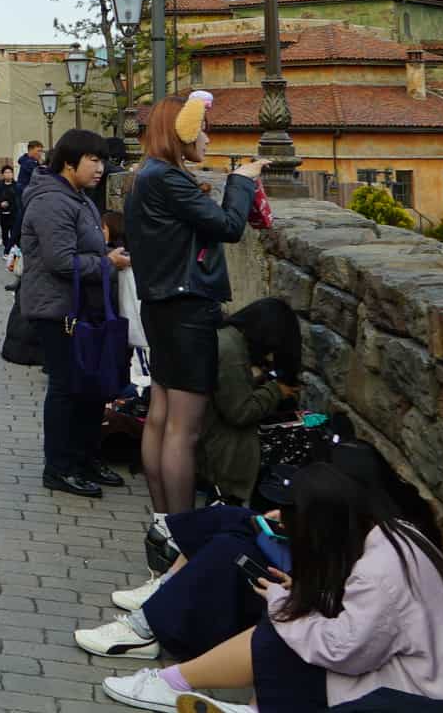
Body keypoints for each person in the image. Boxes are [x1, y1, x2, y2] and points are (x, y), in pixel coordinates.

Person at [101, 462, 443, 713]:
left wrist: (281, 602)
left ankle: (170, 684)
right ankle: (187, 686)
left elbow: (343, 650)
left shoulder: (378, 569)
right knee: (291, 618)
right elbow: (379, 625)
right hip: (436, 685)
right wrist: (307, 598)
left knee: (283, 629)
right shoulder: (397, 535)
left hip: (423, 696)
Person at [126, 90, 262, 549]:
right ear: (181, 132)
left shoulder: (147, 175)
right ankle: (182, 536)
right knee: (183, 430)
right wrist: (241, 180)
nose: (207, 138)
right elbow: (229, 227)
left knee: (161, 416)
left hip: (161, 306)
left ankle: (164, 522)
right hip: (187, 310)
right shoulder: (167, 178)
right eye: (202, 130)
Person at [21, 128, 133, 497]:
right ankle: (59, 467)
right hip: (57, 309)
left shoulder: (78, 197)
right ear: (69, 163)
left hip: (82, 306)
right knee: (67, 388)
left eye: (103, 161)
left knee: (90, 387)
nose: (100, 168)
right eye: (93, 160)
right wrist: (107, 262)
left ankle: (85, 459)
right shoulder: (52, 201)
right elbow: (60, 261)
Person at [200, 297, 304, 505]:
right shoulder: (231, 352)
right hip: (219, 448)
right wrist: (276, 390)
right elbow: (240, 412)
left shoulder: (227, 336)